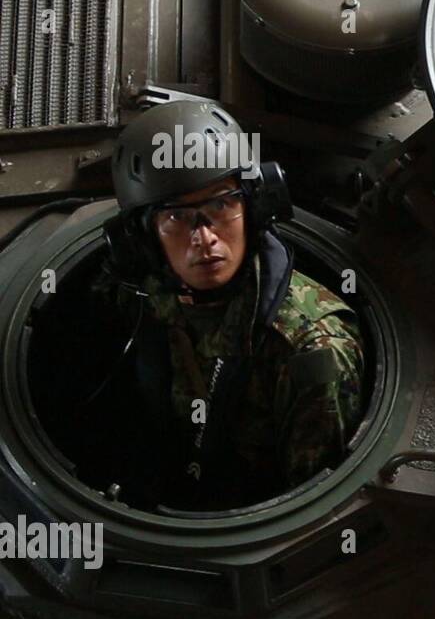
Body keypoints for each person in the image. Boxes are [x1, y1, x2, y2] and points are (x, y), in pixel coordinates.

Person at [93, 100, 364, 509]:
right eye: (177, 217)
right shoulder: (146, 289)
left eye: (221, 205)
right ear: (144, 238)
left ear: (254, 206)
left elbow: (308, 505)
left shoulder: (312, 347)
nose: (204, 238)